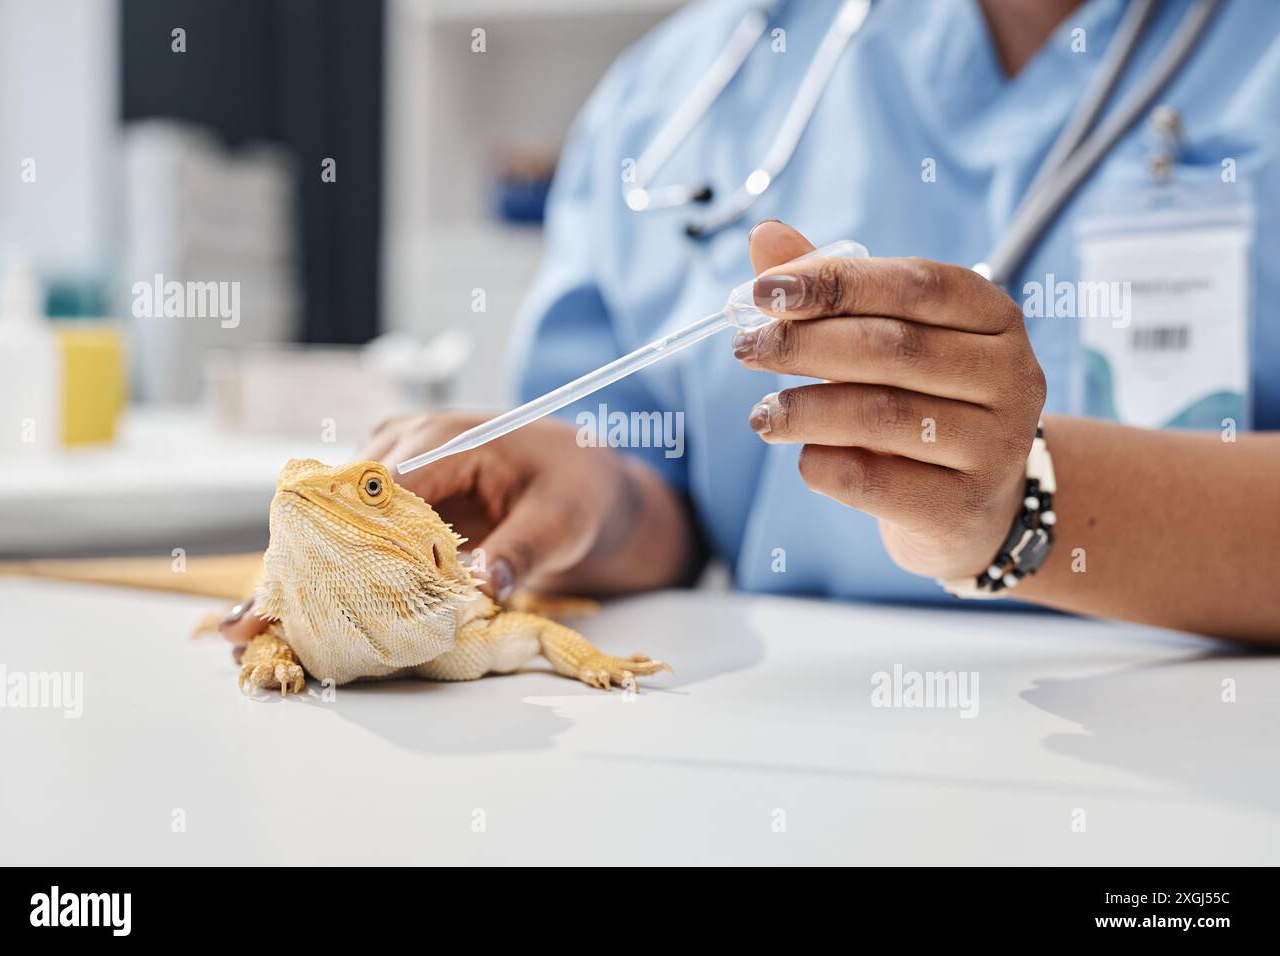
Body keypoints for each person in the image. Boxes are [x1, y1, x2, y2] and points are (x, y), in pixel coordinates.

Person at [224, 0, 1280, 650]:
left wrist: (1021, 506)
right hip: (794, 749)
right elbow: (668, 501)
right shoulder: (682, 85)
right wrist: (591, 486)